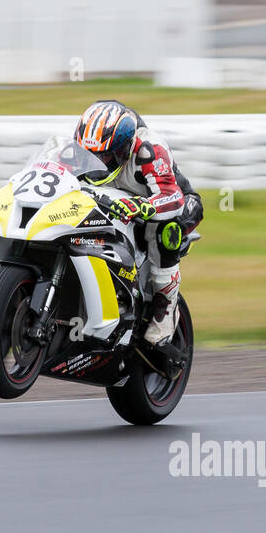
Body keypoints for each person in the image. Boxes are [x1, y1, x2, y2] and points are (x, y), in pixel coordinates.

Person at [73, 99, 203, 375]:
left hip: (171, 204)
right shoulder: (85, 148)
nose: (100, 162)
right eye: (93, 155)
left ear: (123, 148)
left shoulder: (148, 151)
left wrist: (143, 206)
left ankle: (163, 316)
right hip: (122, 201)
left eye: (107, 156)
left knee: (166, 231)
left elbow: (174, 198)